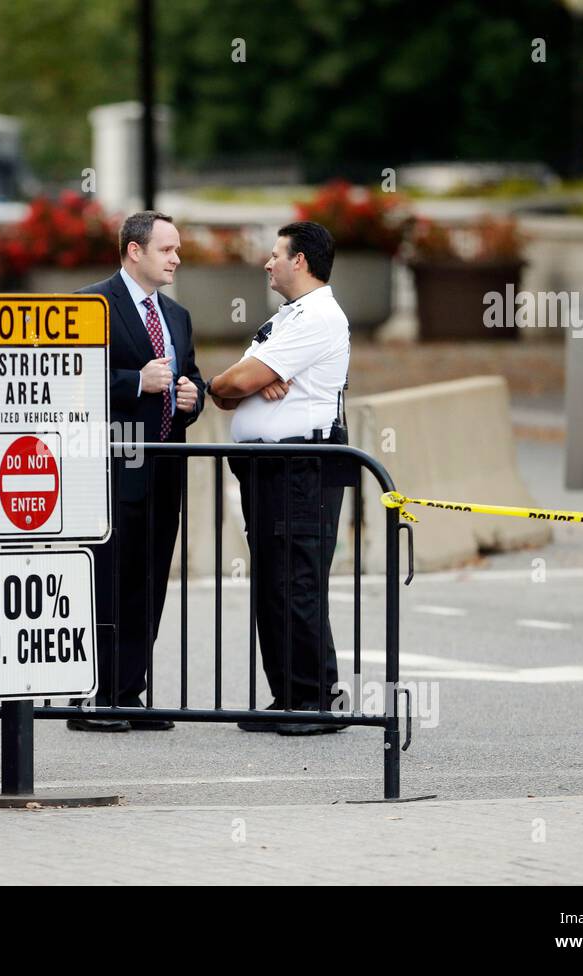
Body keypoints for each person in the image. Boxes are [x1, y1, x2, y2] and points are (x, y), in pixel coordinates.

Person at [209, 220, 350, 736]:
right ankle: (289, 694)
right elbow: (226, 393)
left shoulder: (318, 317)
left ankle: (315, 699)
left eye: (275, 255)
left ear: (301, 262)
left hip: (301, 468)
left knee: (297, 580)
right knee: (273, 581)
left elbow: (235, 381)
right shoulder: (287, 319)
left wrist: (244, 381)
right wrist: (240, 384)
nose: (267, 263)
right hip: (270, 468)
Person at [71, 211, 204, 732]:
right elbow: (67, 381)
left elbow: (186, 376)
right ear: (134, 251)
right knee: (108, 580)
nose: (176, 258)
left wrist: (192, 397)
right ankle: (95, 697)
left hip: (163, 468)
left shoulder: (177, 316)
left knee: (149, 581)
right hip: (108, 469)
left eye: (177, 250)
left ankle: (129, 691)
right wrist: (132, 383)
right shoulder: (91, 304)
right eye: (167, 249)